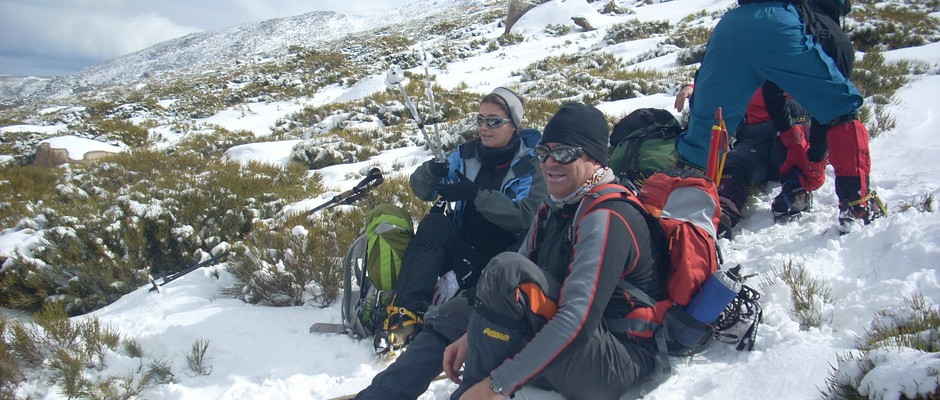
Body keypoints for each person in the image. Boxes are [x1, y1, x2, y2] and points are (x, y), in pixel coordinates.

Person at [356, 102, 665, 399]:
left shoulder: (606, 215)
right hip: (573, 351)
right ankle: (382, 394)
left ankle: (473, 396)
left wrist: (496, 385)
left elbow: (577, 321)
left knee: (507, 270)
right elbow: (503, 293)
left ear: (596, 158)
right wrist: (469, 334)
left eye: (565, 153)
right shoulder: (554, 208)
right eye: (544, 152)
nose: (550, 162)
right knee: (459, 309)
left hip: (612, 363)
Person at [674, 0, 884, 233]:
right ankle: (856, 206)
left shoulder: (741, 20)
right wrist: (814, 159)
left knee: (706, 130)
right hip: (778, 32)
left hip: (731, 27)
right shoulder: (830, 35)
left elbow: (771, 91)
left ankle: (676, 208)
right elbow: (832, 112)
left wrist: (788, 134)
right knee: (842, 107)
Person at [374, 87, 547, 353]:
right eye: (480, 119)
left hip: (503, 259)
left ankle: (461, 316)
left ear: (514, 125)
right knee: (434, 224)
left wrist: (476, 194)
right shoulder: (467, 155)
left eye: (494, 121)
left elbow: (525, 217)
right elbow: (422, 190)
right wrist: (432, 171)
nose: (484, 128)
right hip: (463, 247)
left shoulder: (531, 167)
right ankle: (406, 313)